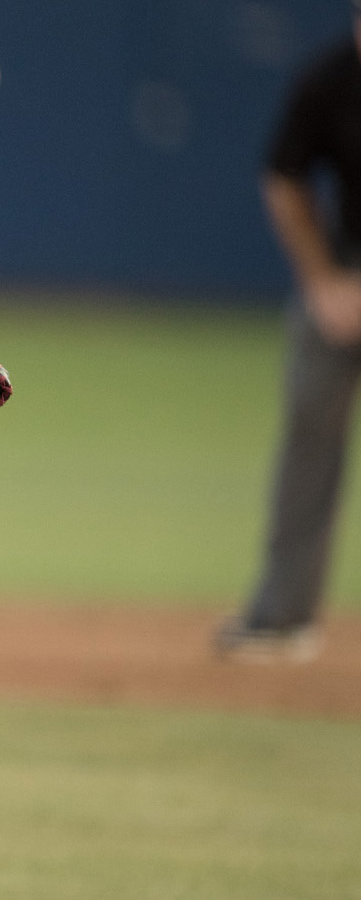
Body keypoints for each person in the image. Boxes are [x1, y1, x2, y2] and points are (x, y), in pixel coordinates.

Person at [219, 2, 361, 662]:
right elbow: (284, 175)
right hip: (346, 272)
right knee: (311, 431)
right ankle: (284, 615)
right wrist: (323, 280)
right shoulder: (332, 78)